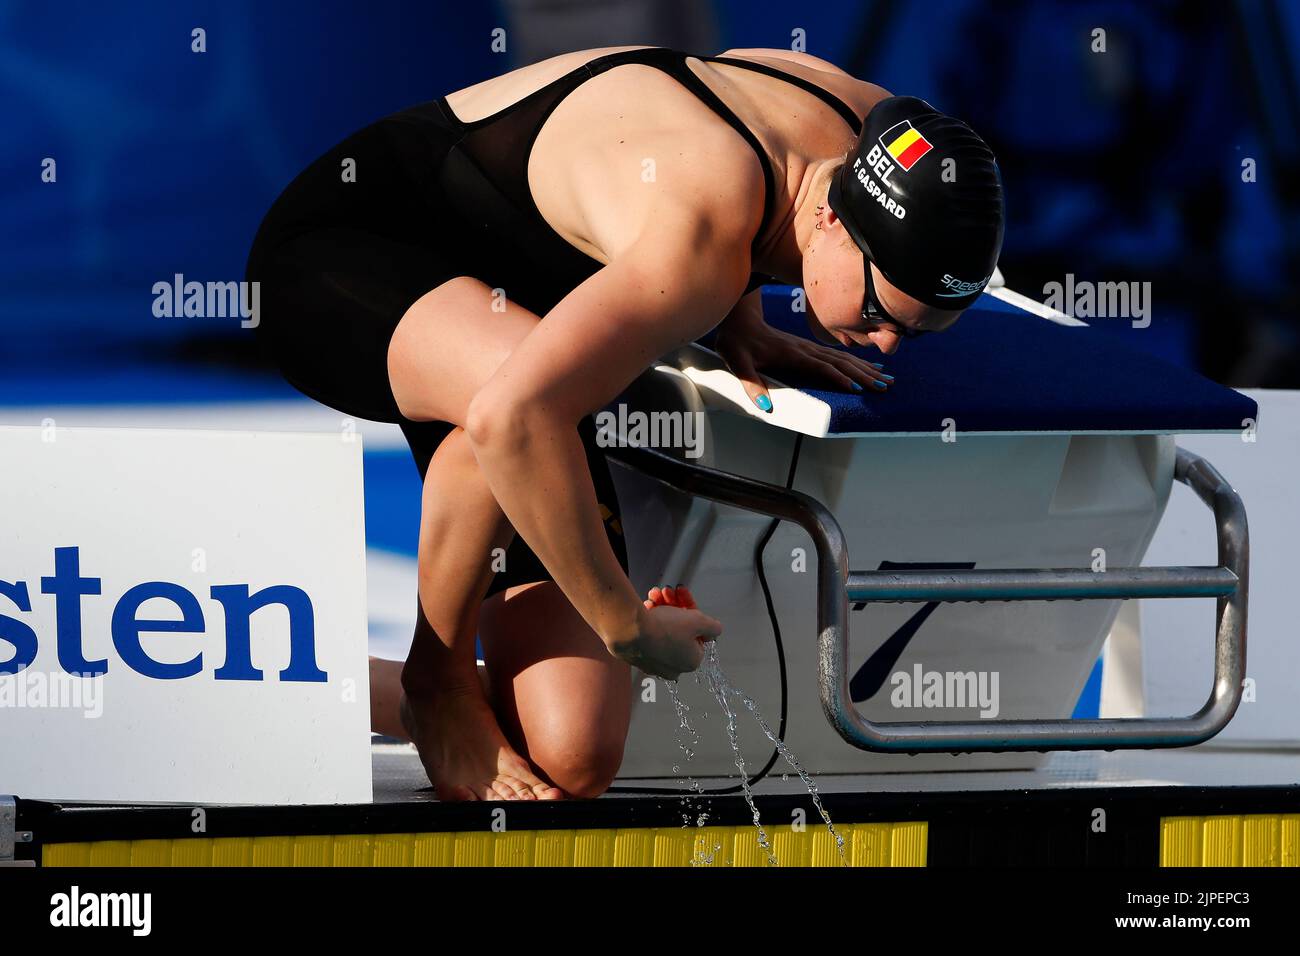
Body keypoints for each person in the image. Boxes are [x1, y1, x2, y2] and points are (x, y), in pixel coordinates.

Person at [245, 45, 1004, 801]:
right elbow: (513, 417)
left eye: (918, 330)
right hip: (348, 250)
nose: (884, 343)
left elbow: (740, 93)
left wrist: (741, 307)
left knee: (573, 756)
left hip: (518, 313)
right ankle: (437, 682)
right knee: (510, 404)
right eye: (877, 312)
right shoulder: (702, 236)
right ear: (833, 219)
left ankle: (367, 692)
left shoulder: (873, 127)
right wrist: (626, 628)